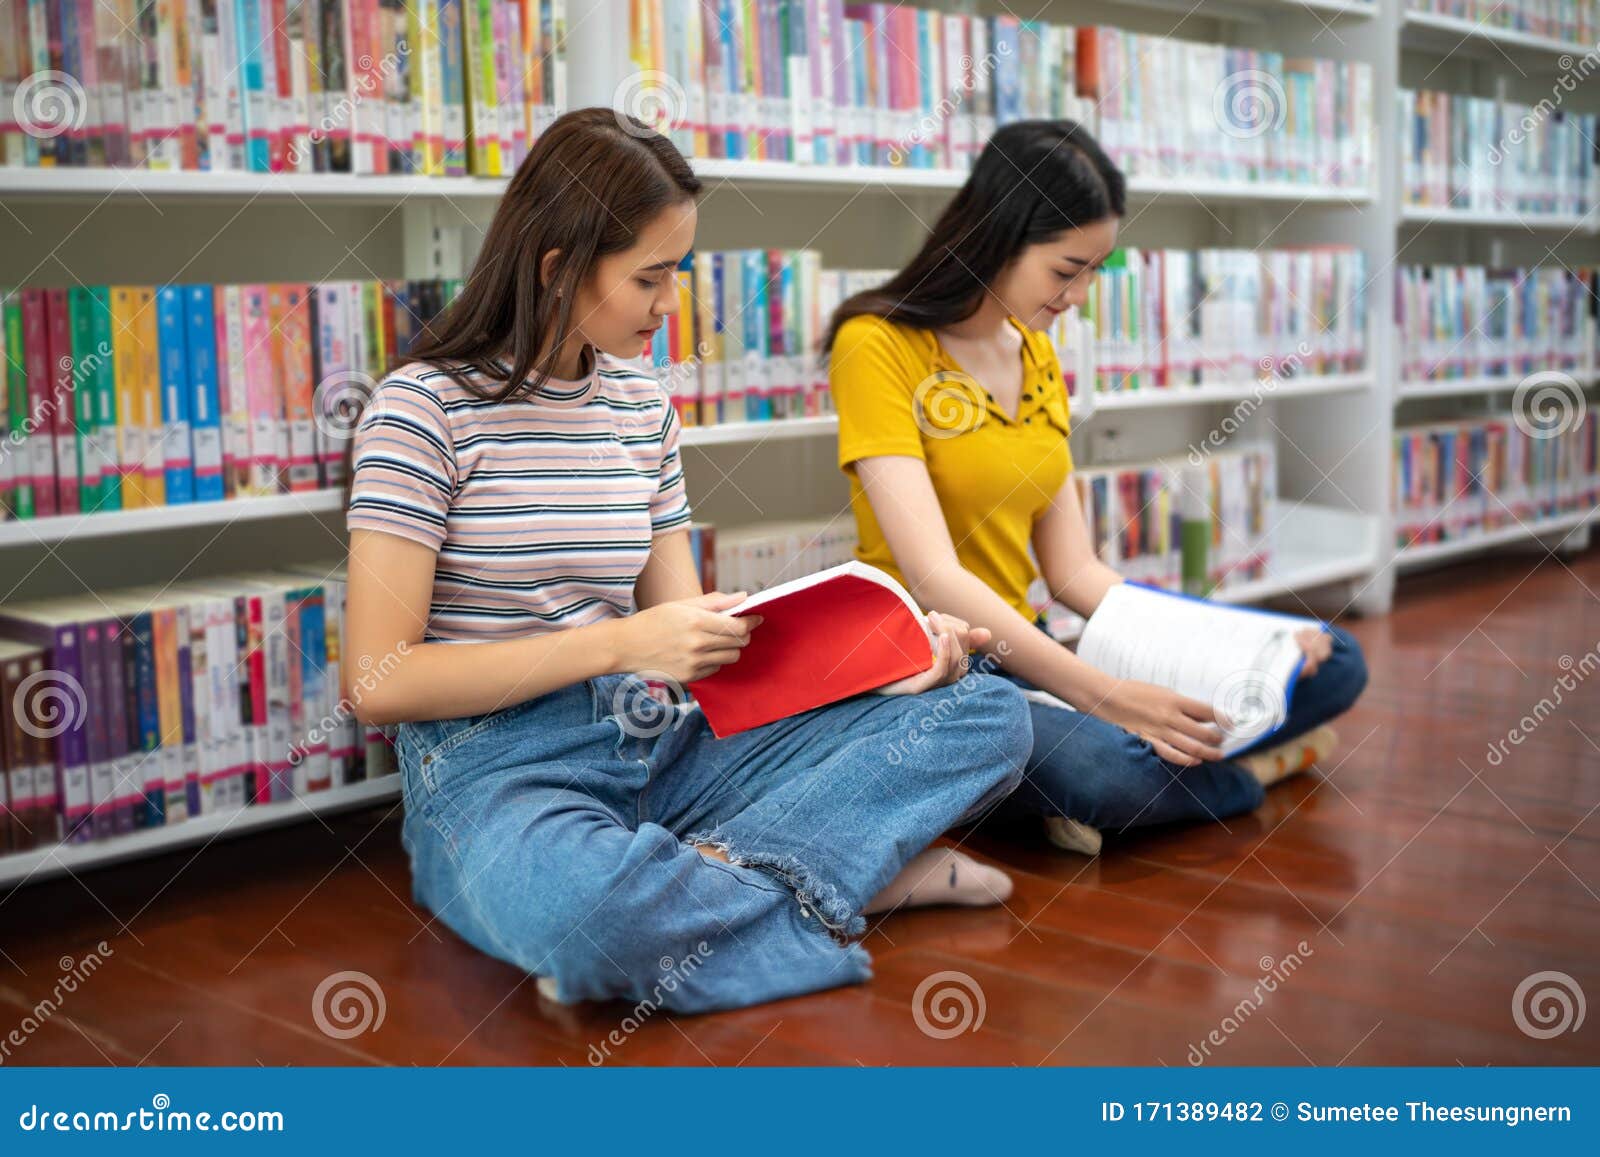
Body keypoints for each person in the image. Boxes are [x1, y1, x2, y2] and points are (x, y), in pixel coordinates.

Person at [340, 108, 1034, 1014]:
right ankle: (831, 877)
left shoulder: (641, 406)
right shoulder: (420, 411)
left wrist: (877, 672)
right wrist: (622, 645)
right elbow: (379, 682)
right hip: (495, 777)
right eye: (650, 277)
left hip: (657, 745)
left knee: (987, 710)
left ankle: (714, 878)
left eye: (680, 272)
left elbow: (698, 650)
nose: (671, 306)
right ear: (556, 268)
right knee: (592, 915)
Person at [824, 119, 1368, 856]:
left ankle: (1063, 792)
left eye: (1094, 272)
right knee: (1106, 770)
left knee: (1329, 659)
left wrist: (1256, 642)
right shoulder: (876, 345)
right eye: (1066, 270)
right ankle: (1249, 774)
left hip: (1028, 647)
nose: (1079, 295)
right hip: (931, 666)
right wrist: (1108, 697)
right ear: (998, 236)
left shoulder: (1036, 352)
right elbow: (933, 576)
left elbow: (1076, 573)